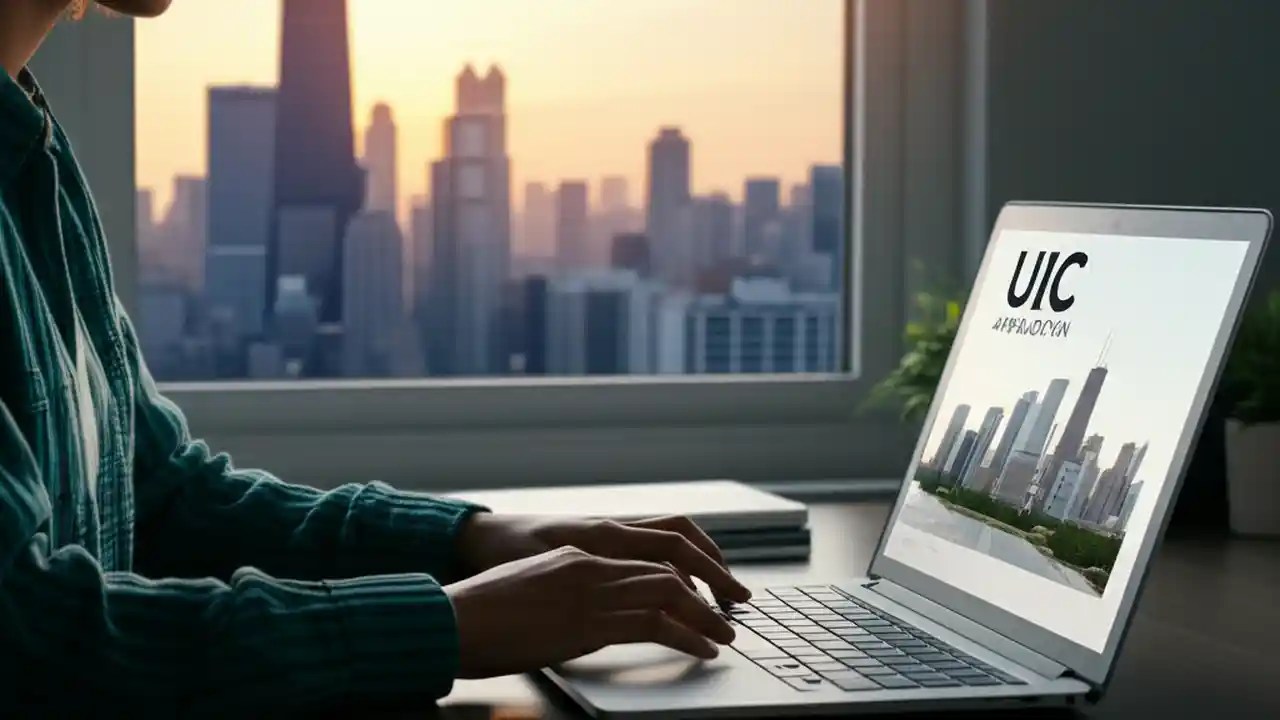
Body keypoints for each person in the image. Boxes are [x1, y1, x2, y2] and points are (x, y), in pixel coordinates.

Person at [0, 1, 750, 713]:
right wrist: (451, 622)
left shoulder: (33, 153)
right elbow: (27, 634)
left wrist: (473, 539)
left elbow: (167, 499)